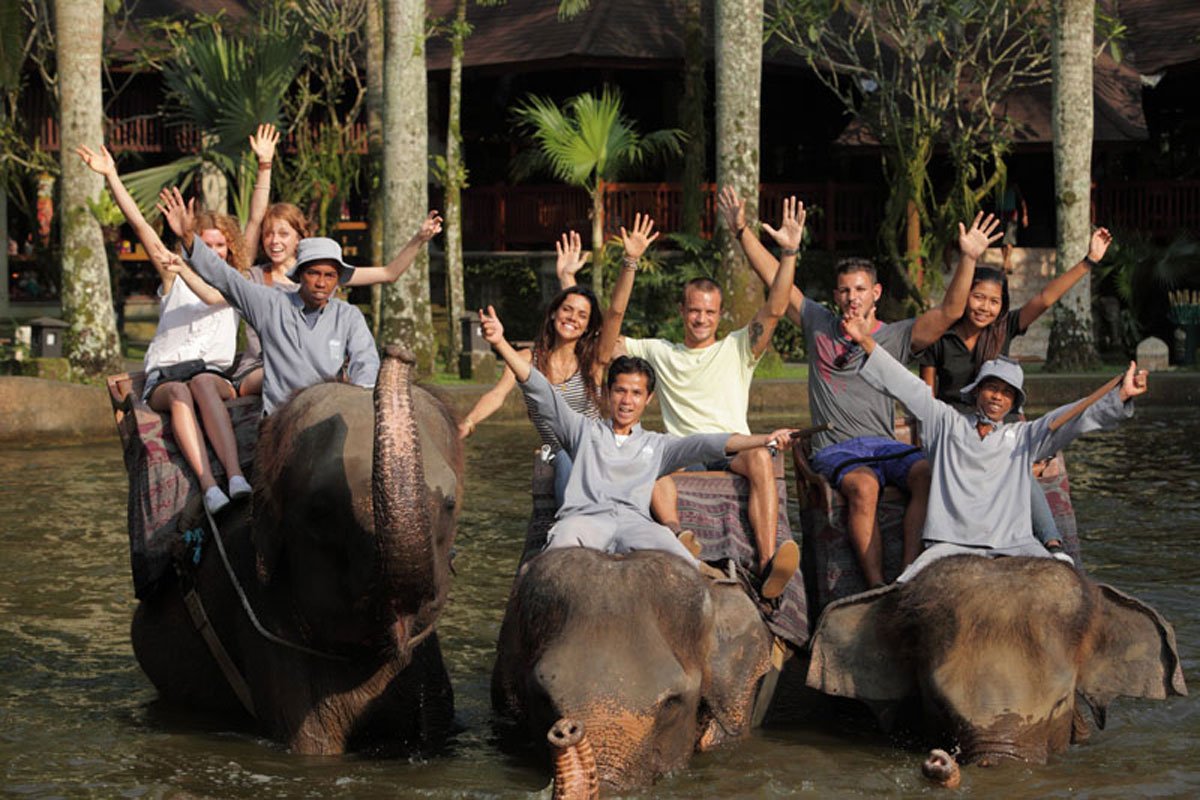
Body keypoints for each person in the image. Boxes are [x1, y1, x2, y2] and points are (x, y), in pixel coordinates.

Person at [728, 185, 1000, 588]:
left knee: (927, 472)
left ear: (875, 293)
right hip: (837, 450)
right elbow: (776, 282)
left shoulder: (896, 336)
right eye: (844, 290)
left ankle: (909, 571)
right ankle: (876, 585)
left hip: (886, 445)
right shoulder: (818, 322)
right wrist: (742, 232)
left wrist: (969, 258)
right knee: (865, 485)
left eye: (859, 290)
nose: (851, 297)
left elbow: (951, 311)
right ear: (836, 295)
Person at [479, 304, 798, 591]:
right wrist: (500, 344)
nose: (626, 400)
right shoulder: (581, 430)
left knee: (686, 570)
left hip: (635, 525)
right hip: (584, 521)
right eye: (620, 391)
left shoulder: (658, 445)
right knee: (548, 571)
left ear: (648, 400)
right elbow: (539, 389)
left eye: (635, 393)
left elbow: (713, 442)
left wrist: (766, 439)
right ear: (607, 394)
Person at [843, 311, 1147, 581]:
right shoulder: (945, 422)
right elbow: (906, 385)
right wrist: (865, 341)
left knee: (1062, 583)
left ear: (1013, 401)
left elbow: (1068, 419)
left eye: (1006, 392)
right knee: (909, 589)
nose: (997, 397)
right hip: (949, 544)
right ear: (977, 392)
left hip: (1015, 544)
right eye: (991, 387)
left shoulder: (1023, 436)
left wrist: (1119, 396)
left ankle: (1055, 549)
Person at [601, 196, 805, 593]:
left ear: (720, 314)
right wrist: (630, 265)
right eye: (695, 310)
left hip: (731, 448)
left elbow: (777, 307)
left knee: (762, 457)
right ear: (683, 310)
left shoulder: (737, 347)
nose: (701, 319)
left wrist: (789, 252)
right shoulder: (659, 351)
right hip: (684, 452)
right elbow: (608, 340)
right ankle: (678, 535)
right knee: (650, 461)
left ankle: (767, 564)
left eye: (709, 313)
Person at [206, 122, 442, 398]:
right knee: (299, 379)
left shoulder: (322, 274)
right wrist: (265, 166)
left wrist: (419, 239)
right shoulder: (254, 277)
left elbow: (389, 273)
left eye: (283, 233)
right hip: (264, 368)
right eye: (269, 235)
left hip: (314, 369)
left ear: (300, 237)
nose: (274, 241)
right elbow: (256, 218)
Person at [76, 144, 250, 514]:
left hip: (211, 374)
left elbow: (256, 221)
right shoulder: (174, 271)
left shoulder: (235, 285)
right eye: (207, 243)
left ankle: (235, 476)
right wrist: (111, 176)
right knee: (178, 393)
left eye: (221, 245)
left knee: (201, 384)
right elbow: (140, 225)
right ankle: (208, 486)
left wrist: (263, 167)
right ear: (193, 244)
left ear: (231, 249)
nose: (214, 250)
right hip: (168, 374)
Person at [918, 227, 1114, 554]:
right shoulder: (940, 336)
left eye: (994, 301)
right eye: (977, 297)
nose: (984, 307)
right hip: (957, 428)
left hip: (1003, 427)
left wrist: (1088, 261)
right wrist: (931, 444)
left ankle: (1053, 544)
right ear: (964, 295)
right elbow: (925, 399)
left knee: (1020, 468)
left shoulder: (1003, 329)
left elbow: (1045, 298)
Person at [459, 221, 657, 505]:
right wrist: (469, 420)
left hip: (596, 448)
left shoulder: (593, 361)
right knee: (563, 457)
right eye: (566, 310)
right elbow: (497, 395)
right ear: (553, 314)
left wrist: (630, 261)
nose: (572, 318)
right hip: (558, 454)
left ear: (588, 326)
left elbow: (615, 312)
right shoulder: (529, 360)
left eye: (581, 316)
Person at [156, 234, 379, 415]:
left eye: (330, 276)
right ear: (300, 274)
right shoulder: (271, 304)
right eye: (313, 273)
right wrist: (188, 237)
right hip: (282, 419)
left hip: (330, 412)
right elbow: (226, 279)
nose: (321, 283)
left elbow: (366, 361)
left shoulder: (348, 315)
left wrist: (359, 403)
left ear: (338, 279)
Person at [997, 181, 1029, 273]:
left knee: (1009, 239)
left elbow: (1022, 200)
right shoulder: (999, 185)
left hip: (1011, 213)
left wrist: (1025, 215)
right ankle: (1006, 262)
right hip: (1001, 212)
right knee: (1002, 240)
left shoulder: (1013, 185)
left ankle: (1006, 262)